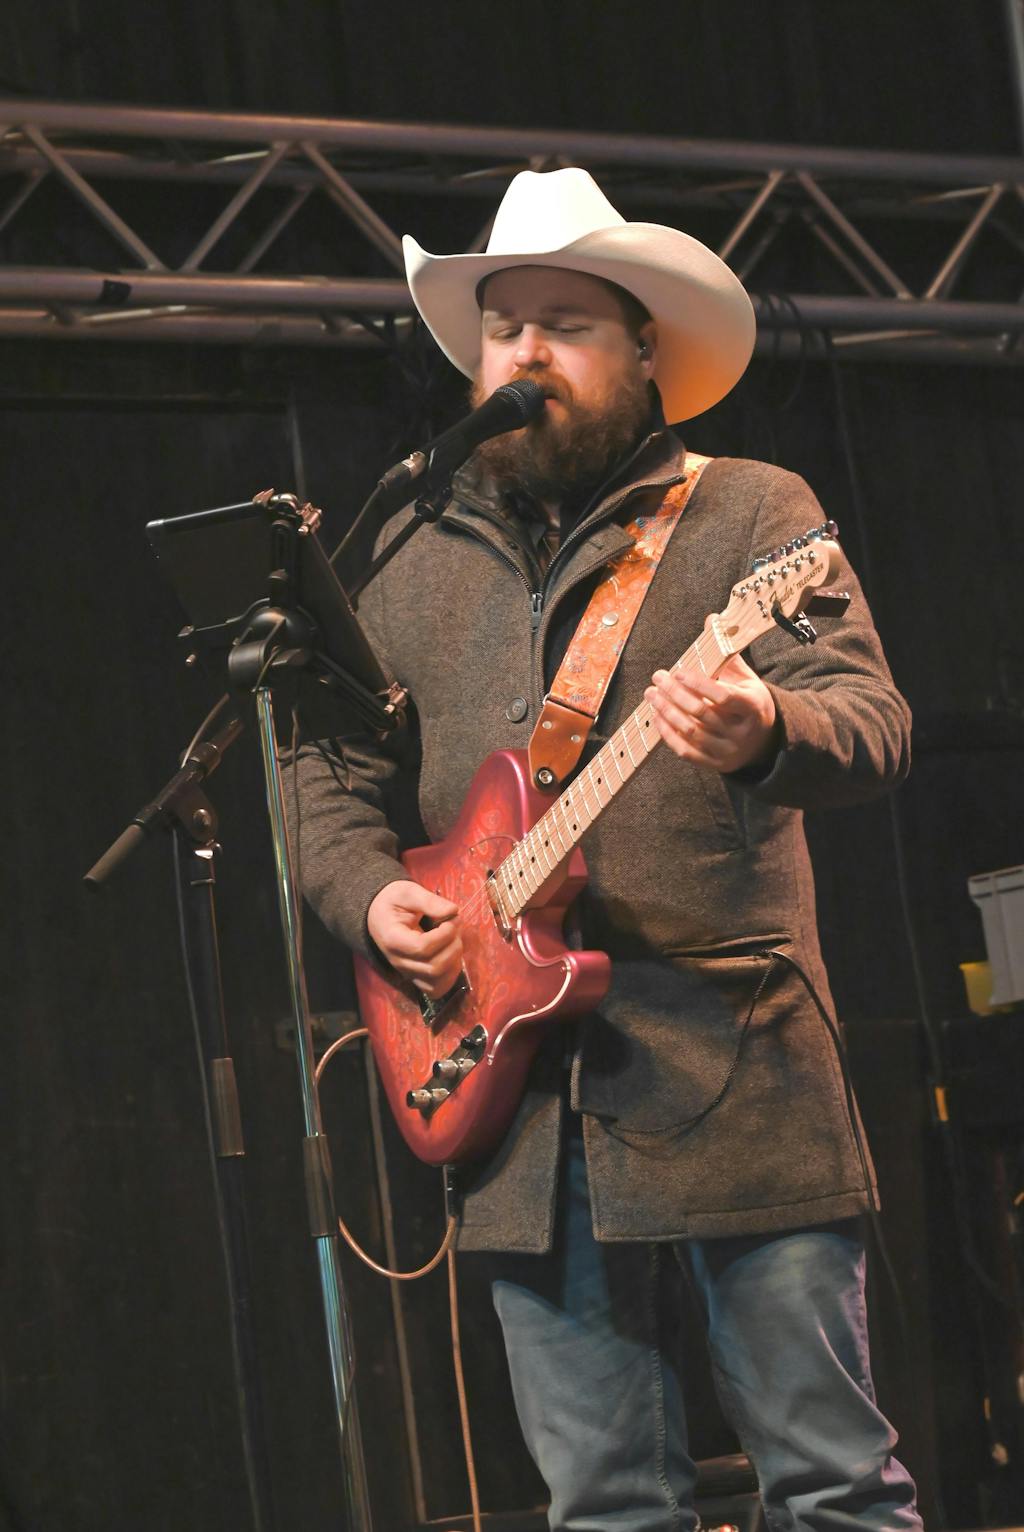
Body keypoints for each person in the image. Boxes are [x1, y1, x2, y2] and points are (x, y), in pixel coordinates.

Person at [295, 169, 921, 1530]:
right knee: (603, 1506)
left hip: (731, 1064)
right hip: (514, 1113)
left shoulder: (752, 513)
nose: (523, 353)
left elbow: (874, 723)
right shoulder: (406, 548)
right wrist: (373, 896)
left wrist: (766, 725)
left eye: (563, 322)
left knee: (831, 1486)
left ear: (646, 349)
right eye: (502, 326)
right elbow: (320, 774)